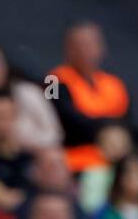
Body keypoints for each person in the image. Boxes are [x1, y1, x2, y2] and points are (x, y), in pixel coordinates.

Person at [48, 21, 131, 174]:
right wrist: (104, 130)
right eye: (78, 45)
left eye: (90, 44)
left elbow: (128, 120)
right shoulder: (51, 81)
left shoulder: (115, 84)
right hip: (73, 156)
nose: (85, 51)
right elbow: (61, 115)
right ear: (68, 49)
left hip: (116, 156)